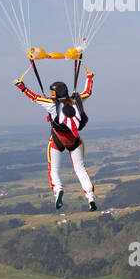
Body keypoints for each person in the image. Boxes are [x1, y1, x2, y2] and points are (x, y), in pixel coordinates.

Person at [14, 69, 96, 211]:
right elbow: (87, 92)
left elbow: (34, 97)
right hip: (75, 140)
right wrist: (89, 76)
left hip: (58, 140)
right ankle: (90, 198)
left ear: (57, 93)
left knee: (53, 169)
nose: (51, 95)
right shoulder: (77, 100)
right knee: (80, 169)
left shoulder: (52, 105)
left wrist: (22, 87)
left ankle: (58, 190)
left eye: (52, 93)